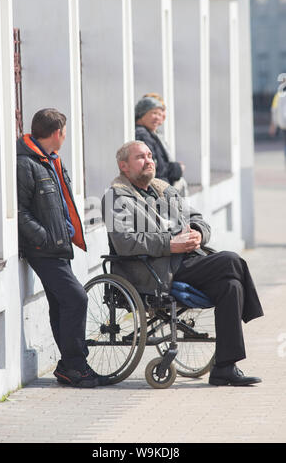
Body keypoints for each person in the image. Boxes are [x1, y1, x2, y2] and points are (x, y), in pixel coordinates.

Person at [103, 140, 264, 386]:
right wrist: (170, 244)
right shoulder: (116, 197)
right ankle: (252, 312)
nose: (148, 161)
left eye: (149, 156)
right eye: (140, 157)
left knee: (231, 285)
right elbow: (125, 243)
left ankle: (224, 368)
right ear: (123, 166)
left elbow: (198, 218)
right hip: (156, 270)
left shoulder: (164, 190)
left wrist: (199, 233)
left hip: (188, 262)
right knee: (231, 259)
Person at [17, 108, 109, 388]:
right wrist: (43, 237)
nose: (66, 136)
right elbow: (19, 210)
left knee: (62, 304)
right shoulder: (26, 163)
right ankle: (76, 366)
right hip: (43, 249)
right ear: (58, 132)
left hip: (58, 246)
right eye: (65, 131)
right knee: (76, 299)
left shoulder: (51, 160)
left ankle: (68, 367)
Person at [135, 96, 187, 195]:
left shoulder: (150, 133)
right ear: (142, 113)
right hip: (155, 191)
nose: (158, 118)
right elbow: (155, 168)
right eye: (154, 113)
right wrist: (178, 168)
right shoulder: (142, 134)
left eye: (160, 114)